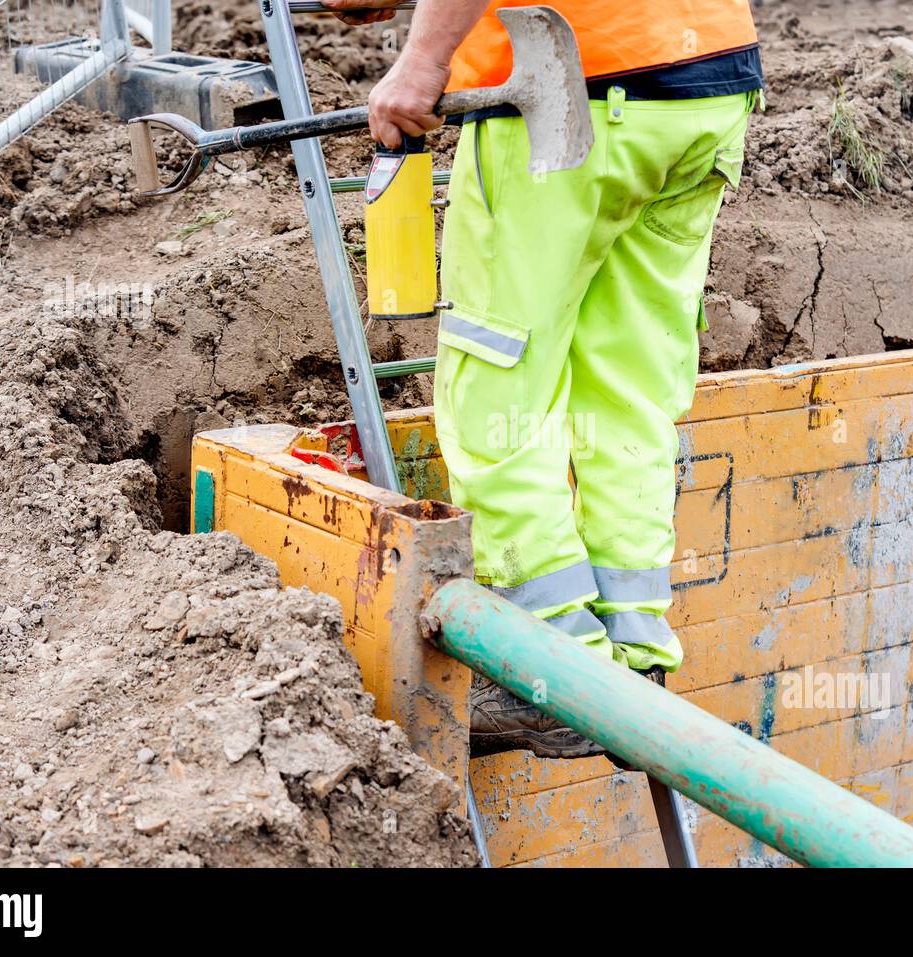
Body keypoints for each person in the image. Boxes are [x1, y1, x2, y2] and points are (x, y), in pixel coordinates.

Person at [329, 0, 763, 757]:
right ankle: (632, 666)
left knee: (499, 388)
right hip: (708, 81)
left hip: (571, 86)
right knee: (628, 390)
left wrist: (425, 58)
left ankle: (553, 680)